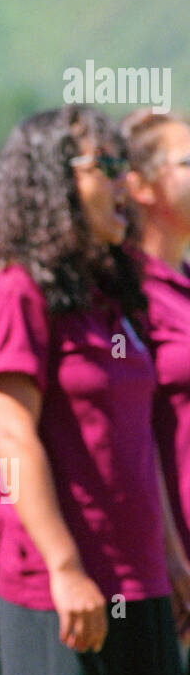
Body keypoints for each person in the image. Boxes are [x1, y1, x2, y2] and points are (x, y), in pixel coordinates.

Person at [0, 105, 190, 675]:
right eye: (106, 167)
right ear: (54, 181)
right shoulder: (13, 292)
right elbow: (12, 439)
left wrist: (171, 555)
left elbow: (141, 440)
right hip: (57, 591)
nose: (125, 184)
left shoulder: (114, 297)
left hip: (142, 581)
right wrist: (63, 567)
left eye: (127, 167)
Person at [123, 110, 190, 578]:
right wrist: (171, 556)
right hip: (170, 566)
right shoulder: (126, 294)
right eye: (187, 162)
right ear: (141, 187)